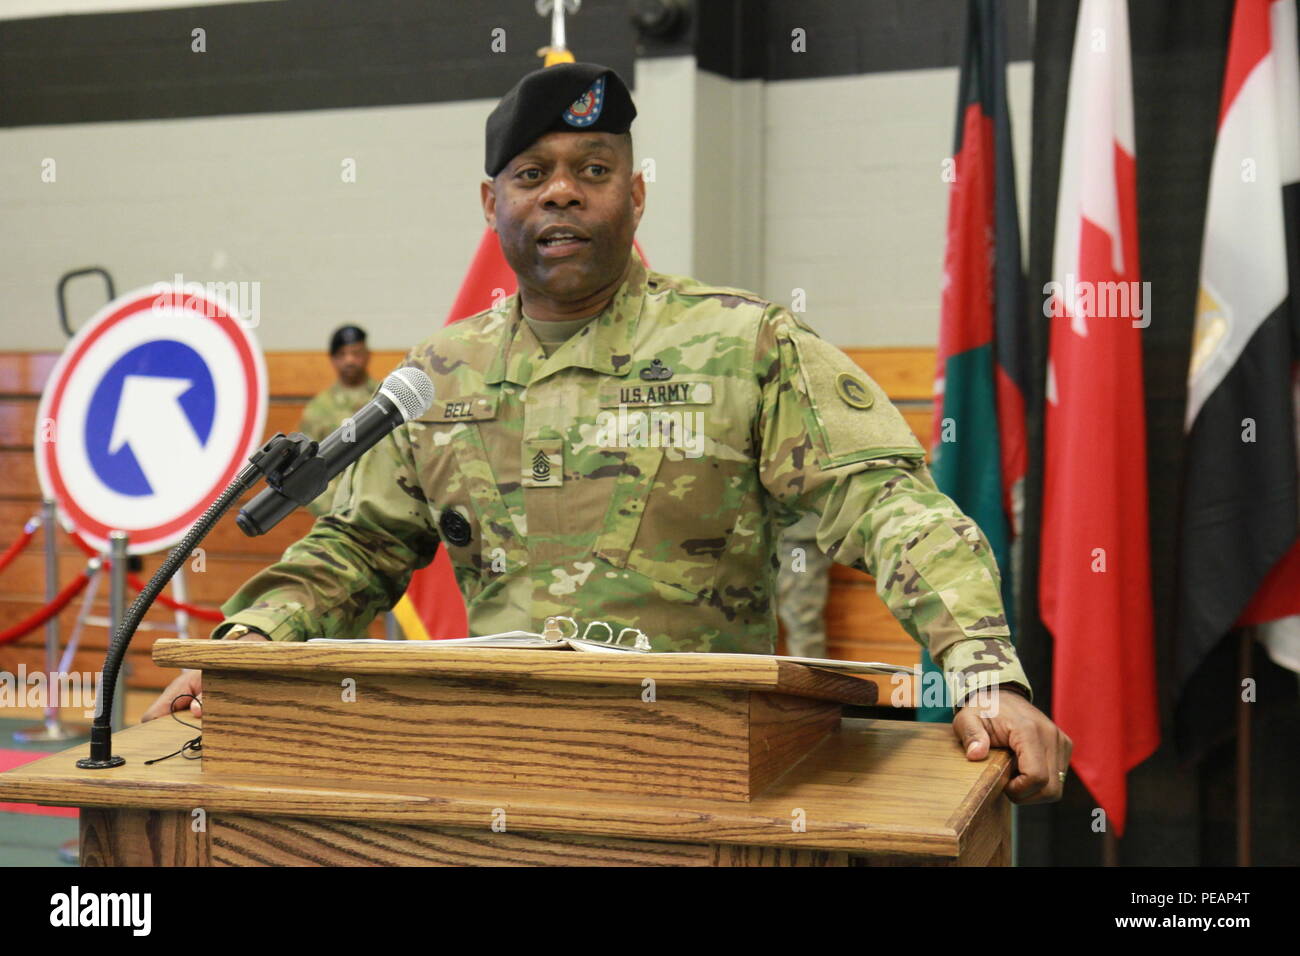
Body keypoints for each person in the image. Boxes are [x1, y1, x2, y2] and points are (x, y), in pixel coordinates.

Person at [145, 62, 1072, 805]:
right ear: (490, 200)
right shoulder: (438, 376)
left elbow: (888, 504)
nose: (562, 194)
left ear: (636, 195)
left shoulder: (742, 344)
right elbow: (358, 547)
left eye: (594, 170)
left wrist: (987, 673)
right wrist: (249, 650)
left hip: (717, 773)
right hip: (503, 776)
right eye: (532, 174)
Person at [297, 325, 379, 516]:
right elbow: (304, 469)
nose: (350, 360)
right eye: (342, 354)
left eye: (356, 352)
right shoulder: (318, 410)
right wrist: (329, 509)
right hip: (333, 511)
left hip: (381, 507)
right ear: (333, 359)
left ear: (368, 355)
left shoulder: (383, 399)